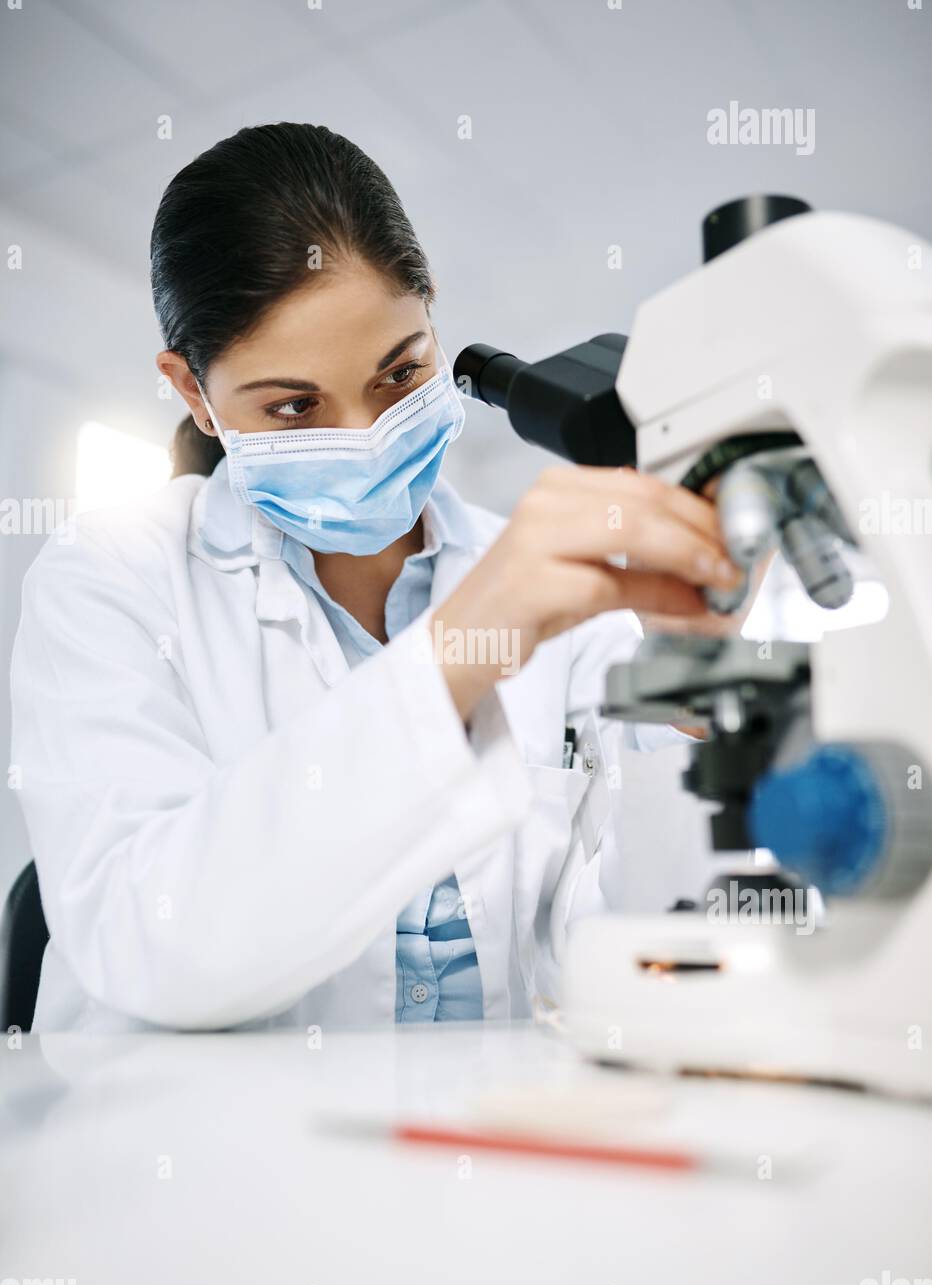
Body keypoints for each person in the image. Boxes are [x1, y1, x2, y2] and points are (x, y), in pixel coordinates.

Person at [10, 123, 744, 1033]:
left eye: (400, 374)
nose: (365, 435)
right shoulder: (108, 581)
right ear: (193, 391)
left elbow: (645, 951)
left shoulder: (568, 600)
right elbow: (153, 944)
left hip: (486, 1148)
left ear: (433, 315)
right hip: (204, 1157)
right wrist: (450, 664)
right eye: (294, 406)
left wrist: (694, 696)